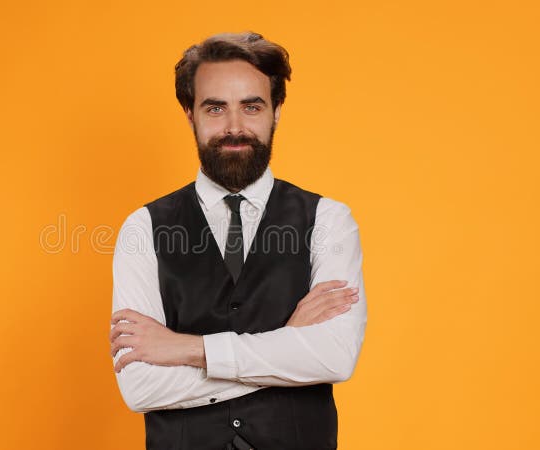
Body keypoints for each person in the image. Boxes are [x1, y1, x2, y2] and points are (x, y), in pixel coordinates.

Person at [109, 31, 367, 450]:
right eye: (215, 108)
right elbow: (140, 386)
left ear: (276, 112)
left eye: (251, 106)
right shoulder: (142, 228)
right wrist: (286, 345)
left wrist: (187, 349)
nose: (234, 127)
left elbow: (334, 356)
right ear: (189, 114)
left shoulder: (328, 220)